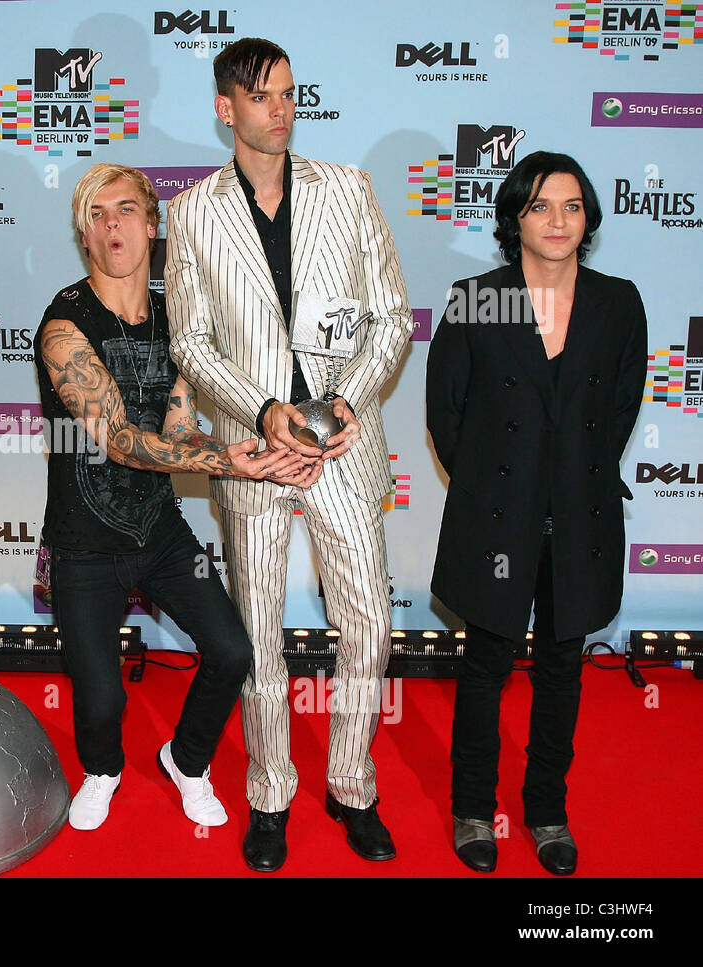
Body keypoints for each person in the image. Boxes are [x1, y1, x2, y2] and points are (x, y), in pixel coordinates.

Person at [165, 38, 413, 872]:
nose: (281, 109)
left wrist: (348, 398)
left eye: (288, 93)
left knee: (369, 626)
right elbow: (192, 344)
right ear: (223, 108)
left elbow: (391, 319)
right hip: (253, 450)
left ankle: (352, 784)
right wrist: (264, 409)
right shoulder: (192, 212)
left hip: (343, 437)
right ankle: (269, 792)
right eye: (261, 96)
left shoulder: (348, 190)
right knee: (259, 633)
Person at [36, 163, 302, 833]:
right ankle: (102, 767)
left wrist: (239, 452)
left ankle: (186, 759)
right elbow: (121, 439)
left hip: (159, 530)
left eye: (125, 209)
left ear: (153, 227)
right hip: (84, 544)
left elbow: (178, 423)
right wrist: (224, 461)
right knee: (99, 700)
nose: (112, 223)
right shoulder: (64, 324)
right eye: (96, 214)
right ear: (84, 234)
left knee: (232, 650)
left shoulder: (175, 317)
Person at [426, 151, 647, 876]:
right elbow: (446, 415)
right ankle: (470, 808)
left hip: (580, 517)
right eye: (540, 206)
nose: (558, 220)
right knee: (485, 663)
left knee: (562, 667)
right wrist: (504, 487)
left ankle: (547, 809)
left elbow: (618, 410)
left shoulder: (618, 302)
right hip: (495, 515)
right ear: (514, 217)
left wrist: (565, 483)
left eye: (572, 206)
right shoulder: (477, 298)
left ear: (589, 218)